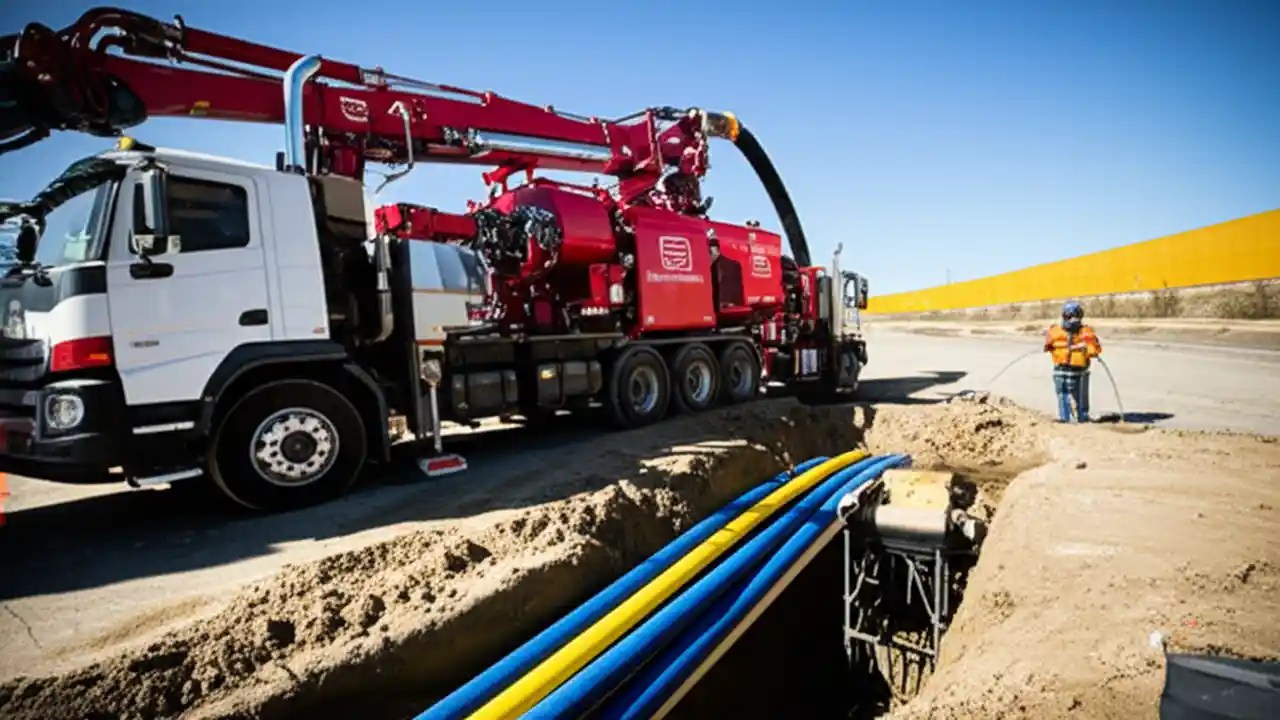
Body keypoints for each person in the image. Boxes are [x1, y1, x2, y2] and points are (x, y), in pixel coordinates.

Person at [1044, 300, 1102, 422]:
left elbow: (1094, 347)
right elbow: (1048, 344)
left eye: (1076, 316)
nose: (1073, 320)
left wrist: (1088, 349)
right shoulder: (1055, 332)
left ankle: (1081, 417)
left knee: (1080, 395)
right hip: (1061, 370)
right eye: (1070, 316)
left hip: (1079, 372)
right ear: (1064, 316)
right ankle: (1065, 418)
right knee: (1062, 393)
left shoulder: (1085, 332)